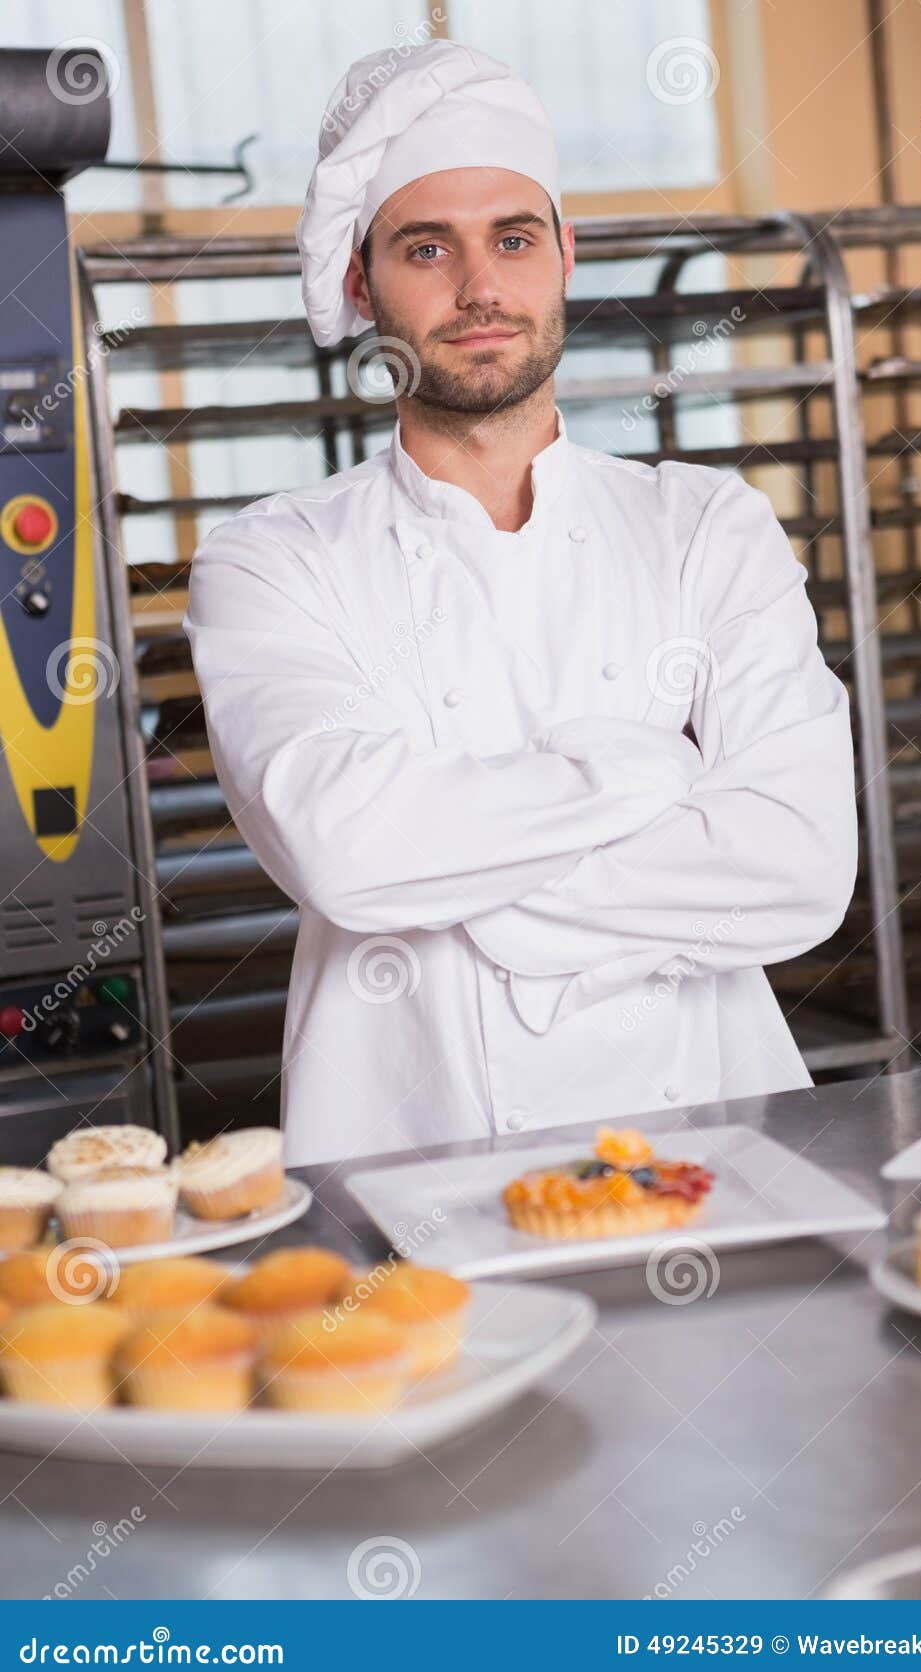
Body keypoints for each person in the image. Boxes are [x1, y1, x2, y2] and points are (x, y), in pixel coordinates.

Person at [183, 40, 858, 1168]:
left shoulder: (704, 528)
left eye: (512, 238)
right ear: (361, 283)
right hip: (413, 1188)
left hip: (718, 1167)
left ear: (564, 255)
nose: (479, 288)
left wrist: (456, 890)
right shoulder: (269, 562)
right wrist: (647, 772)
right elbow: (351, 855)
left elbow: (794, 868)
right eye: (424, 248)